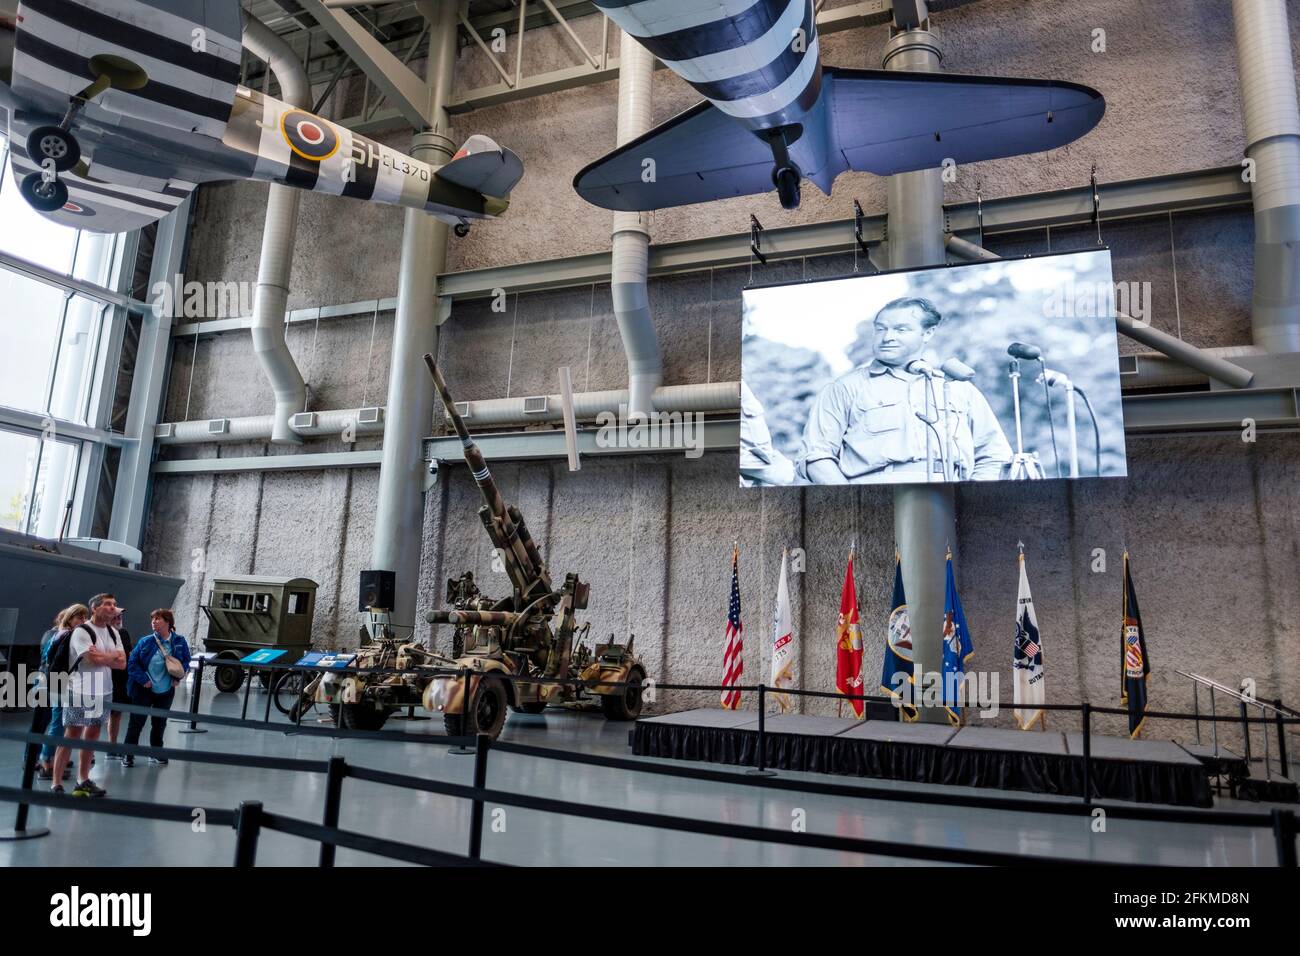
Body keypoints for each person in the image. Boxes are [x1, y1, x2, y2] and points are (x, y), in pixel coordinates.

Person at [799, 297, 1012, 484]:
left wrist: (973, 498)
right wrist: (853, 503)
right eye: (881, 329)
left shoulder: (959, 388)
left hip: (955, 495)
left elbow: (994, 453)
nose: (887, 337)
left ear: (927, 333)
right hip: (875, 497)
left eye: (901, 329)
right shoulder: (844, 388)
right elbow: (816, 456)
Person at [50, 593, 126, 797]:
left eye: (114, 605)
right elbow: (93, 659)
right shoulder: (81, 632)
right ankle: (56, 783)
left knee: (91, 736)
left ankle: (82, 780)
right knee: (71, 735)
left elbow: (122, 663)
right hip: (79, 691)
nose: (113, 608)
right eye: (108, 604)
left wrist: (104, 657)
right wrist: (109, 657)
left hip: (104, 691)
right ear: (95, 608)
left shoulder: (114, 632)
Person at [123, 608, 191, 767]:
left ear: (168, 622)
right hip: (143, 689)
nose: (154, 622)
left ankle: (156, 752)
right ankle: (128, 754)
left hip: (166, 690)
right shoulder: (145, 641)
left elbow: (186, 661)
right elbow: (132, 663)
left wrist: (178, 676)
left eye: (158, 619)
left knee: (160, 723)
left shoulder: (179, 641)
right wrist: (143, 679)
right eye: (153, 619)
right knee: (136, 723)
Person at [36, 604, 87, 781]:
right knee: (57, 723)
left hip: (48, 680)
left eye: (84, 618)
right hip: (57, 682)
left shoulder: (56, 633)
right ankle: (47, 762)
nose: (82, 621)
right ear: (69, 618)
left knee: (47, 722)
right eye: (79, 618)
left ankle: (42, 759)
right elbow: (58, 662)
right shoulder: (68, 635)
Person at [104, 604, 135, 760]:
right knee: (94, 716)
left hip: (120, 679)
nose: (118, 619)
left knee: (116, 714)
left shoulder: (123, 633)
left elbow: (128, 655)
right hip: (105, 678)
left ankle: (112, 746)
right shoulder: (102, 634)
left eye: (120, 616)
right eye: (115, 616)